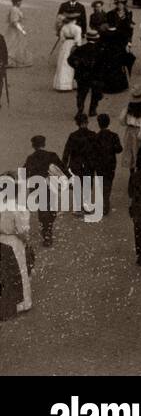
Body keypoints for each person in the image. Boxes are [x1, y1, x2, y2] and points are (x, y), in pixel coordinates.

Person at [0, 176, 34, 320]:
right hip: (14, 243)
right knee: (20, 272)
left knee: (5, 273)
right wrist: (27, 241)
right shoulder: (15, 209)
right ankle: (23, 303)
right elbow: (21, 231)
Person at [23, 137, 65, 247]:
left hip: (37, 187)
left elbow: (24, 173)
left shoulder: (30, 158)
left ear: (33, 146)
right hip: (51, 185)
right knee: (51, 207)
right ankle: (48, 228)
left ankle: (46, 231)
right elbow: (62, 168)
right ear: (44, 144)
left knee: (42, 209)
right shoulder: (52, 155)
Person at [90, 113, 123, 217]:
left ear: (99, 124)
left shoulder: (96, 137)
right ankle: (106, 201)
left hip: (99, 164)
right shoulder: (114, 136)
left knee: (100, 182)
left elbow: (92, 151)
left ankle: (101, 203)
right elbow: (119, 149)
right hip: (110, 163)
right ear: (108, 123)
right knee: (108, 182)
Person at [120, 87, 141, 174]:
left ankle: (132, 172)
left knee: (131, 151)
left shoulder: (128, 108)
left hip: (131, 131)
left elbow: (122, 120)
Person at [53, 13, 82, 92]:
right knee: (73, 64)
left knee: (63, 63)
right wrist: (78, 47)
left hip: (65, 45)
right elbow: (78, 40)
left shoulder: (64, 27)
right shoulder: (77, 28)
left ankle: (61, 84)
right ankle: (73, 83)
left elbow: (62, 39)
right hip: (73, 45)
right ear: (74, 20)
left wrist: (65, 43)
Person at [5, 0, 31, 68]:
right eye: (21, 1)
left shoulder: (14, 9)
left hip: (15, 31)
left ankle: (14, 61)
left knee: (17, 45)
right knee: (13, 45)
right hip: (14, 31)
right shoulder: (14, 10)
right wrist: (22, 30)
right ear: (18, 1)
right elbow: (15, 22)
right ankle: (11, 61)